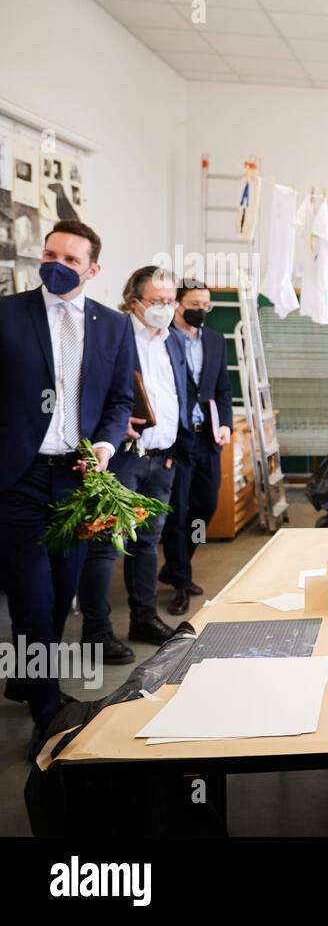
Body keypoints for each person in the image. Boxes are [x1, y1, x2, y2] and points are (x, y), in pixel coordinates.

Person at [0, 221, 134, 746]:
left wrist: (103, 446)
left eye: (70, 259)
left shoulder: (113, 327)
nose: (56, 264)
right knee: (32, 597)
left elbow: (120, 400)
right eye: (50, 253)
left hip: (79, 480)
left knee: (60, 597)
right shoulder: (8, 314)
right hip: (20, 477)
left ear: (93, 269)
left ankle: (28, 677)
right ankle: (48, 712)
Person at [78, 266, 192, 666]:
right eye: (157, 301)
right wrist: (111, 423)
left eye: (170, 300)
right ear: (134, 301)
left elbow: (175, 391)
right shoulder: (112, 336)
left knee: (146, 544)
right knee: (105, 546)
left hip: (161, 459)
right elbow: (85, 390)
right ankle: (96, 632)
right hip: (122, 457)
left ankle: (144, 618)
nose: (166, 307)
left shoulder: (173, 341)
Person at [159, 278, 232, 616]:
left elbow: (222, 389)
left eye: (206, 306)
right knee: (178, 511)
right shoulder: (162, 340)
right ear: (177, 303)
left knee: (205, 506)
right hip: (176, 440)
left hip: (207, 437)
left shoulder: (216, 341)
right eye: (195, 305)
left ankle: (176, 566)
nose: (201, 311)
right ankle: (181, 582)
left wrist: (226, 424)